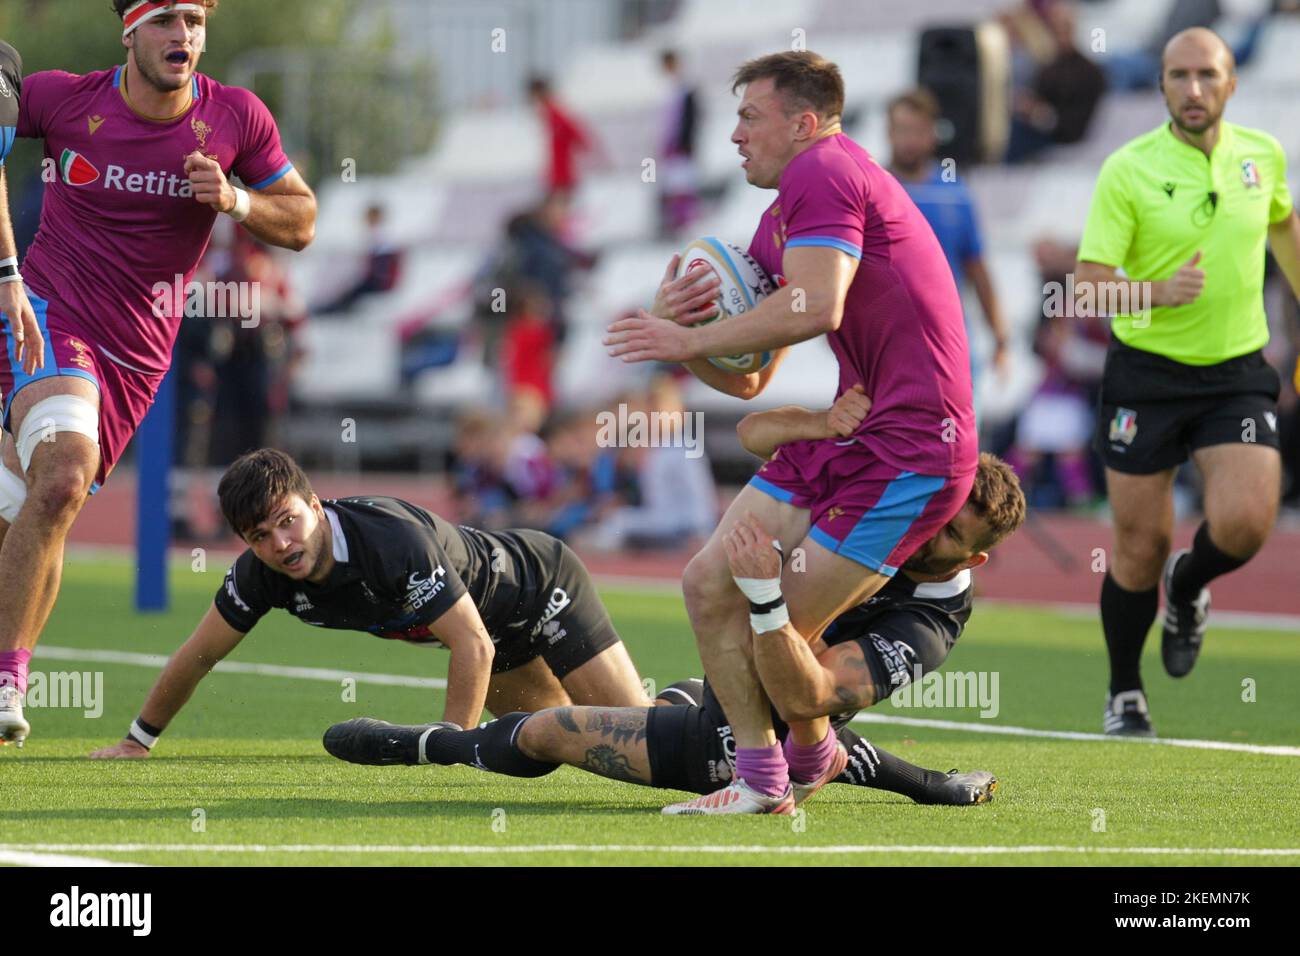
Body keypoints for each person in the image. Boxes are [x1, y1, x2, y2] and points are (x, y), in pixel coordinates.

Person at [322, 403, 1026, 813]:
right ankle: (925, 784)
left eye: (951, 534)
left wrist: (761, 594)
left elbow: (806, 691)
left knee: (546, 730)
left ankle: (421, 744)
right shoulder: (888, 515)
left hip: (738, 747)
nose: (929, 527)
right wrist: (822, 421)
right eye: (938, 508)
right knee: (672, 702)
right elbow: (755, 431)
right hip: (736, 701)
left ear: (973, 561)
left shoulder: (929, 622)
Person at [603, 51, 978, 812]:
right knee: (708, 584)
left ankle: (787, 764)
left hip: (912, 451)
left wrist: (684, 343)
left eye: (750, 117)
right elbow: (749, 378)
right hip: (847, 434)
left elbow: (817, 307)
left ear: (803, 123)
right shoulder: (781, 218)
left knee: (773, 626)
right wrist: (685, 323)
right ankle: (778, 771)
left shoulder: (826, 171)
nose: (735, 135)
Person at [0, 1, 318, 748]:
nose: (184, 36)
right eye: (166, 20)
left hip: (140, 351)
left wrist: (236, 199)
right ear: (130, 31)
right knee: (64, 476)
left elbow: (302, 221)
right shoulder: (66, 98)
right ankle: (10, 681)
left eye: (195, 22)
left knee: (31, 511)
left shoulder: (236, 116)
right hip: (50, 313)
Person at [88, 447, 650, 759]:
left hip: (539, 590)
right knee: (565, 743)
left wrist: (449, 749)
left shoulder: (390, 540)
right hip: (490, 638)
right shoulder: (262, 574)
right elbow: (199, 655)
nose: (281, 545)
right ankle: (687, 706)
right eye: (260, 536)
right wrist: (137, 742)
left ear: (313, 503)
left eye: (289, 521)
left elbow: (471, 643)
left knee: (634, 741)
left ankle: (710, 723)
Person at [1074, 28, 1300, 736]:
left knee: (1245, 523)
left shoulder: (1262, 156)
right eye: (1178, 75)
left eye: (1208, 74)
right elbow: (1087, 292)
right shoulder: (1128, 169)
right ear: (1162, 85)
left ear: (1232, 83)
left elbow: (1285, 226)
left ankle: (1189, 583)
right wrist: (1155, 292)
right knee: (1139, 545)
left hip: (1236, 372)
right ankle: (1123, 691)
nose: (1193, 89)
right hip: (1146, 376)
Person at [887, 87, 1009, 388]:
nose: (909, 139)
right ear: (888, 133)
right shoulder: (870, 192)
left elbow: (977, 268)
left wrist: (999, 337)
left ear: (932, 134)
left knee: (958, 432)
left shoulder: (954, 195)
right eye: (901, 129)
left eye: (917, 130)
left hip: (948, 345)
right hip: (885, 349)